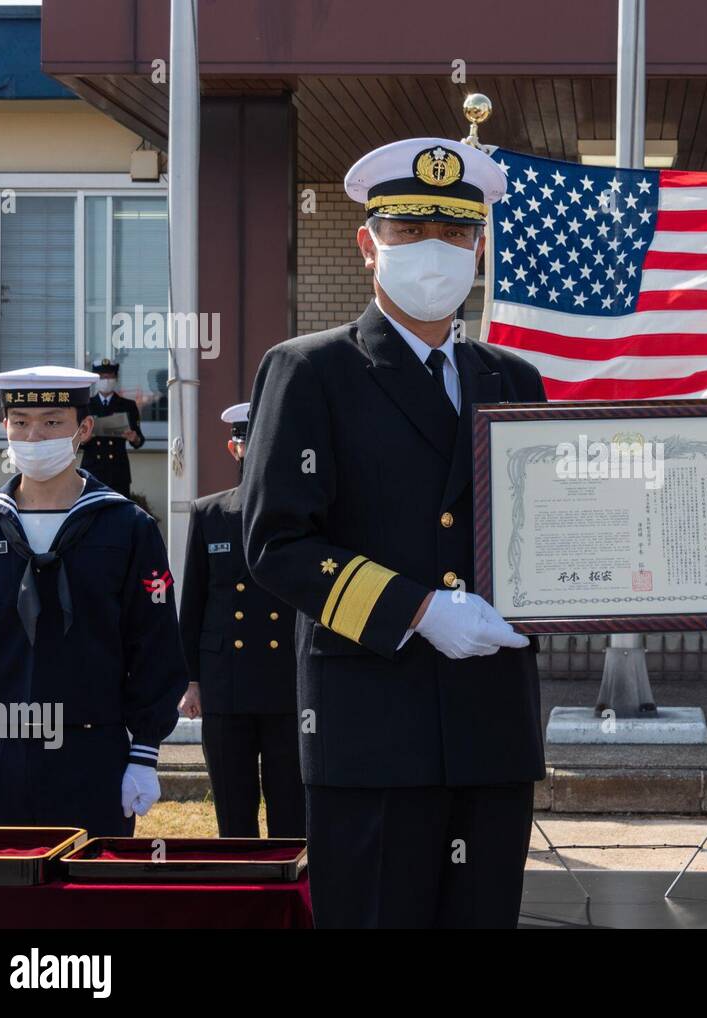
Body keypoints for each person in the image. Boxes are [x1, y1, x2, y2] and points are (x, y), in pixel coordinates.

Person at [240, 137, 546, 928]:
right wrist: (418, 610)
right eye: (410, 232)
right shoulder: (310, 371)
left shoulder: (513, 379)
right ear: (368, 244)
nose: (434, 253)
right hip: (372, 729)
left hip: (490, 725)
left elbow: (545, 529)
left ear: (480, 248)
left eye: (455, 234)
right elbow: (277, 542)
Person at [0, 366, 185, 835]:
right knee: (4, 902)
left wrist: (144, 751)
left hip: (93, 753)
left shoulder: (127, 528)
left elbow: (155, 645)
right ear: (4, 427)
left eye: (51, 421)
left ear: (83, 429)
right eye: (19, 421)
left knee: (92, 903)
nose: (33, 435)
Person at [177, 402, 305, 838]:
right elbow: (192, 604)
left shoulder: (302, 517)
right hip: (225, 682)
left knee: (291, 807)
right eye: (249, 443)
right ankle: (242, 896)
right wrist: (191, 681)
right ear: (235, 449)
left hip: (286, 680)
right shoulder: (209, 513)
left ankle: (293, 898)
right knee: (234, 807)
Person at [80, 357, 145, 498]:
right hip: (92, 469)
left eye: (110, 377)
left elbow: (139, 441)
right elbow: (76, 441)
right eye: (102, 377)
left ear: (116, 378)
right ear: (96, 381)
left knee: (118, 514)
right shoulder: (86, 405)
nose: (106, 381)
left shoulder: (127, 405)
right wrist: (84, 439)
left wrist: (134, 438)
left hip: (117, 470)